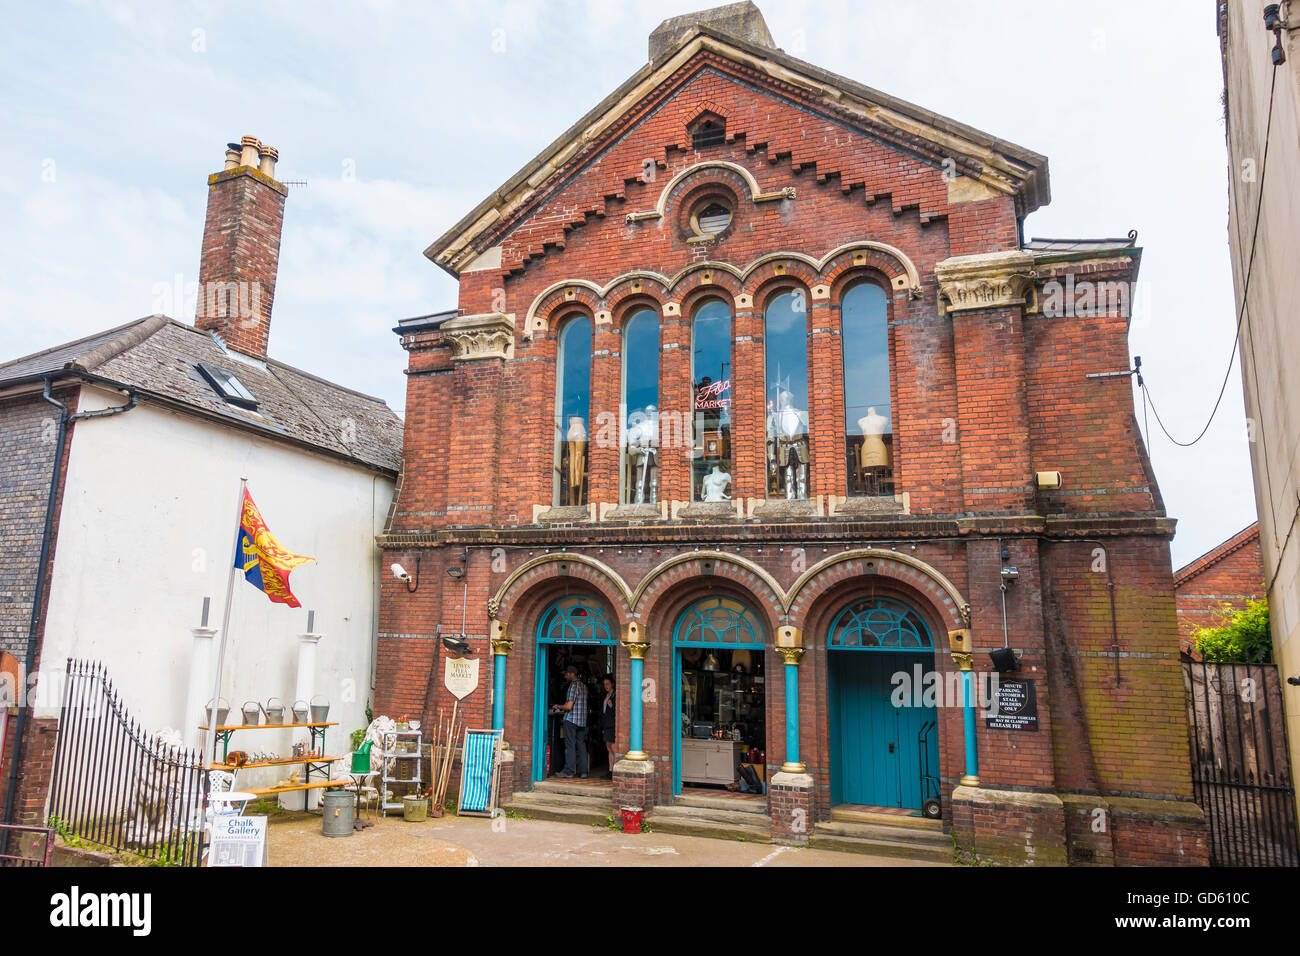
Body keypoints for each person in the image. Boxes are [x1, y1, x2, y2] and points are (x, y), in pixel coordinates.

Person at [551, 664, 588, 778]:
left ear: (572, 674)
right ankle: (583, 772)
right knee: (581, 745)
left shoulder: (573, 686)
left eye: (567, 673)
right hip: (581, 721)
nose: (566, 676)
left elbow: (569, 706)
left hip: (571, 720)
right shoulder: (583, 686)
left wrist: (558, 706)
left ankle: (569, 771)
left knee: (570, 745)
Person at [600, 675, 616, 777]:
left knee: (613, 747)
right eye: (604, 684)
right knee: (608, 747)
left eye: (608, 684)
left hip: (613, 724)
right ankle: (610, 771)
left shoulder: (615, 696)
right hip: (606, 724)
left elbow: (619, 711)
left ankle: (615, 770)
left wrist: (611, 706)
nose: (606, 686)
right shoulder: (606, 696)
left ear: (612, 684)